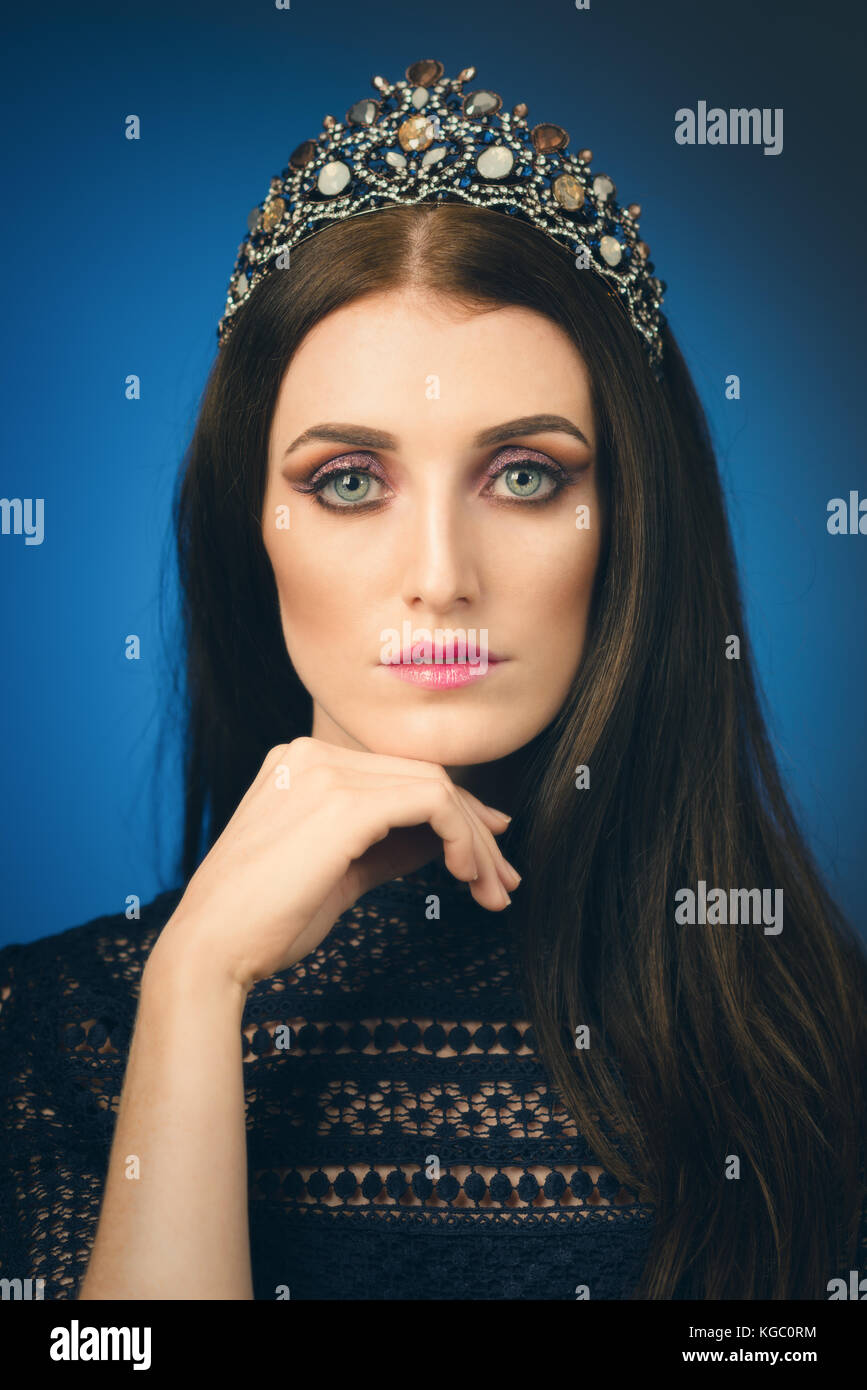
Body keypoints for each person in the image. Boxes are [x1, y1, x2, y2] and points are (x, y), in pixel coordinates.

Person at [1, 59, 864, 1302]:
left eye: (525, 474)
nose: (441, 577)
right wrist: (191, 997)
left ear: (631, 518)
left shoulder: (827, 1059)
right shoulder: (49, 1036)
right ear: (254, 523)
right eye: (349, 479)